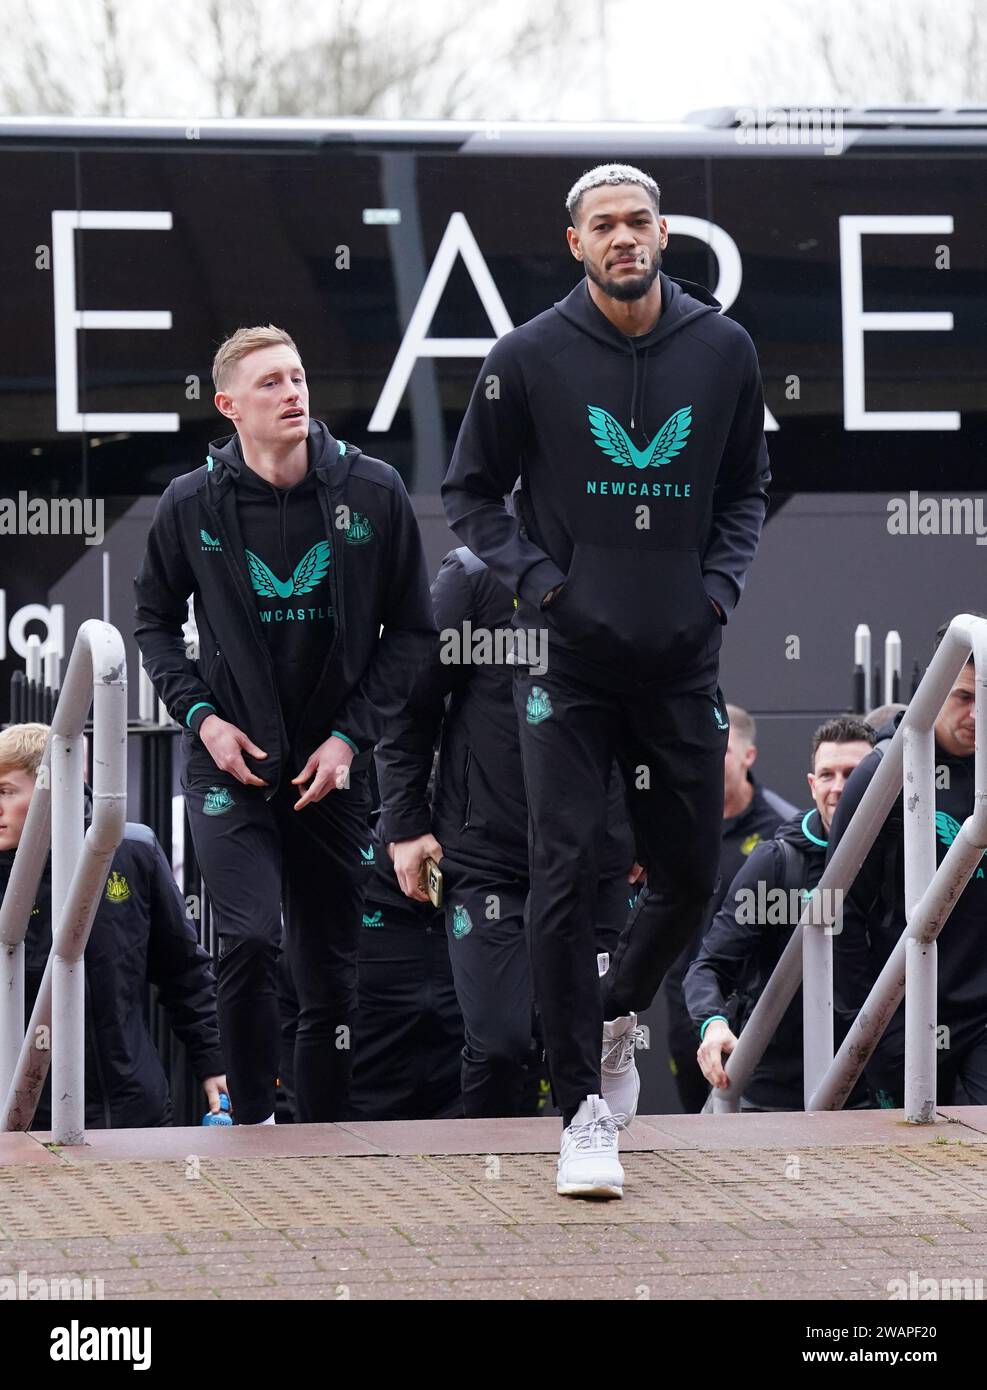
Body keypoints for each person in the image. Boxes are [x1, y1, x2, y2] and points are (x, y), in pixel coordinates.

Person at [442, 163, 770, 1197]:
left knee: (687, 874)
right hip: (568, 664)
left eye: (639, 221)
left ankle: (617, 1013)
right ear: (575, 242)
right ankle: (581, 1108)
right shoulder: (528, 356)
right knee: (562, 867)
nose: (623, 238)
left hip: (682, 658)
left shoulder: (724, 349)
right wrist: (546, 590)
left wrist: (715, 590)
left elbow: (745, 491)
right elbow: (470, 495)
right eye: (603, 226)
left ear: (664, 233)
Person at [135, 324, 435, 1124]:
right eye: (269, 382)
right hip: (230, 764)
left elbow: (412, 633)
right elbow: (153, 627)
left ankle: (324, 1142)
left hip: (332, 770)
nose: (292, 393)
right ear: (228, 404)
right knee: (248, 939)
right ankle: (256, 1123)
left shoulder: (372, 491)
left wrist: (348, 740)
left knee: (329, 972)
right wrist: (203, 721)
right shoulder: (189, 503)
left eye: (298, 377)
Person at [378, 540, 639, 1119]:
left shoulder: (631, 566)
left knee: (587, 1036)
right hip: (487, 857)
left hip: (592, 856)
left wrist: (646, 830)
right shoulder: (472, 577)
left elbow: (662, 715)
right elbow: (409, 706)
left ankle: (598, 1169)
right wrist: (404, 825)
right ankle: (492, 1179)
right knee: (500, 1042)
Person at [0, 723, 226, 1129]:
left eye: (5, 791)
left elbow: (185, 971)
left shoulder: (128, 850)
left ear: (51, 788)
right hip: (24, 1120)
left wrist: (214, 1064)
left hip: (134, 1108)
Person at [830, 626, 986, 1106]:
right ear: (932, 689)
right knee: (922, 1161)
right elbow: (840, 912)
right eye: (962, 696)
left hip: (982, 1020)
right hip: (907, 1018)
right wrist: (877, 1032)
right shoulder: (883, 775)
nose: (977, 714)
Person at [687, 717, 875, 1109]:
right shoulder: (778, 862)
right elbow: (710, 966)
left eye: (853, 775)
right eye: (827, 775)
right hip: (774, 1093)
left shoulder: (908, 858)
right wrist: (714, 1024)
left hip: (880, 1088)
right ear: (812, 784)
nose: (839, 788)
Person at [663, 703, 797, 1111]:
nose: (707, 761)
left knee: (738, 1109)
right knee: (695, 1108)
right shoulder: (672, 822)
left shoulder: (780, 831)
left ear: (748, 756)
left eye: (720, 750)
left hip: (749, 999)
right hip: (684, 988)